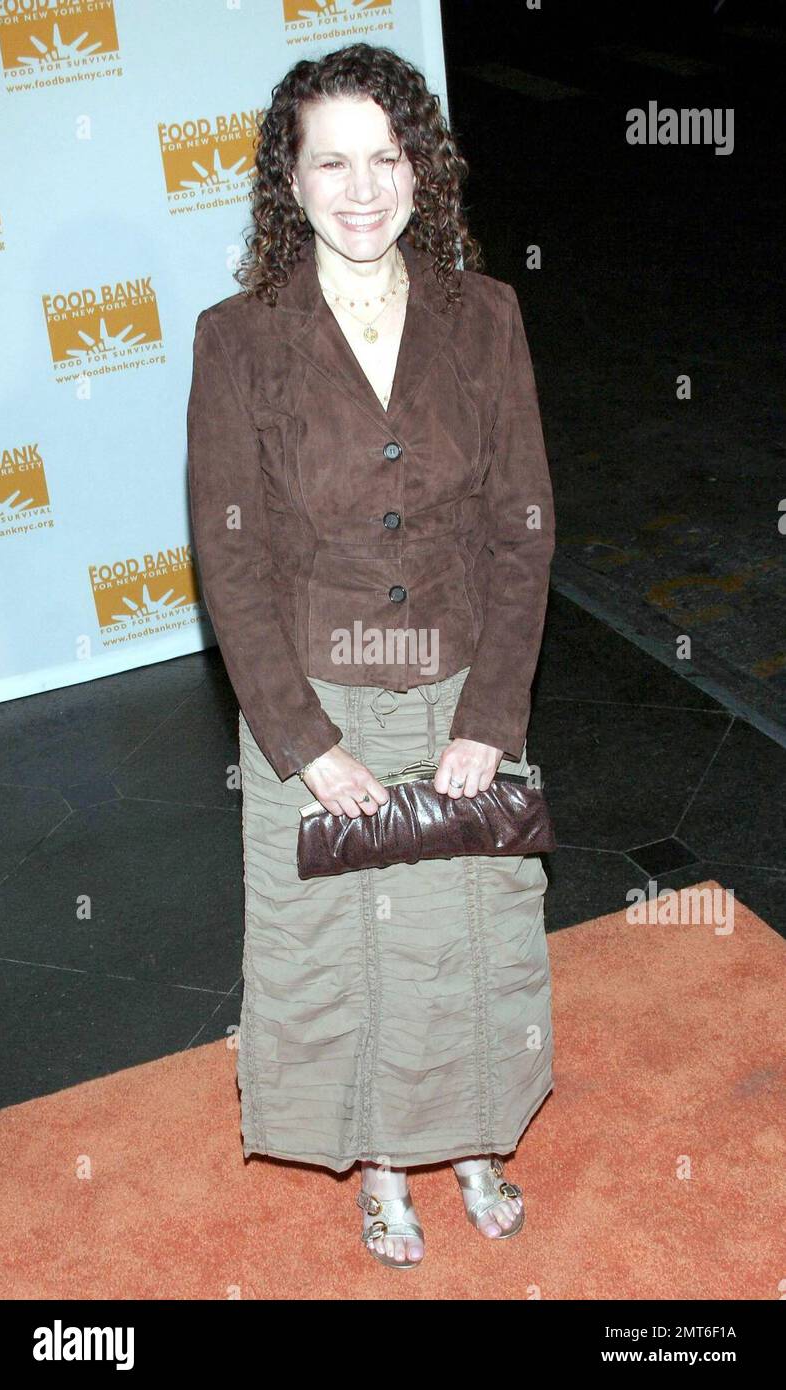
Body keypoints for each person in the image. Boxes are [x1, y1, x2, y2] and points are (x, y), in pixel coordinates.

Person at [186, 41, 555, 1270]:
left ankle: (470, 1142)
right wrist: (304, 745)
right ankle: (381, 1165)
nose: (360, 188)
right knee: (342, 950)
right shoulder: (236, 339)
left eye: (383, 158)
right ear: (288, 182)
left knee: (468, 930)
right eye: (329, 160)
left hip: (459, 683)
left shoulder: (484, 314)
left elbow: (522, 525)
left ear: (419, 171)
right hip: (319, 694)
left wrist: (491, 715)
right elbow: (229, 562)